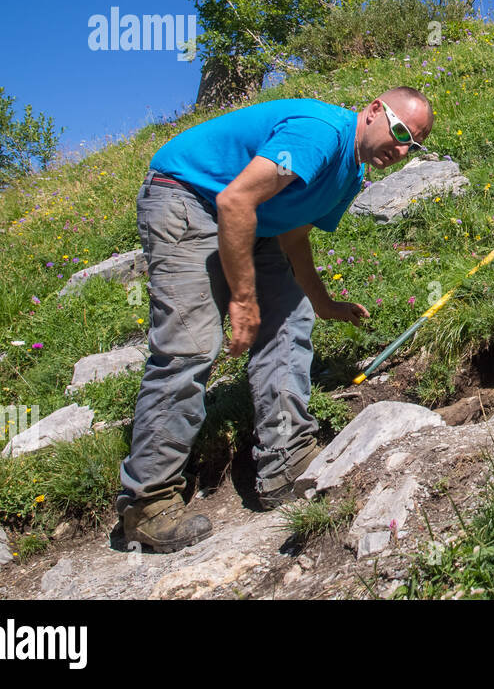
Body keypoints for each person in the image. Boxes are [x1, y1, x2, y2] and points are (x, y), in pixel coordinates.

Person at [116, 88, 433, 552]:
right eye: (400, 133)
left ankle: (284, 461)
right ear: (371, 113)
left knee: (289, 321)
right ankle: (148, 503)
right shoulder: (320, 137)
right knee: (191, 345)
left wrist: (323, 303)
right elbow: (233, 202)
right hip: (189, 199)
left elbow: (293, 235)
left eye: (414, 145)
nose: (402, 150)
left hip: (254, 219)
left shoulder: (349, 175)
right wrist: (242, 300)